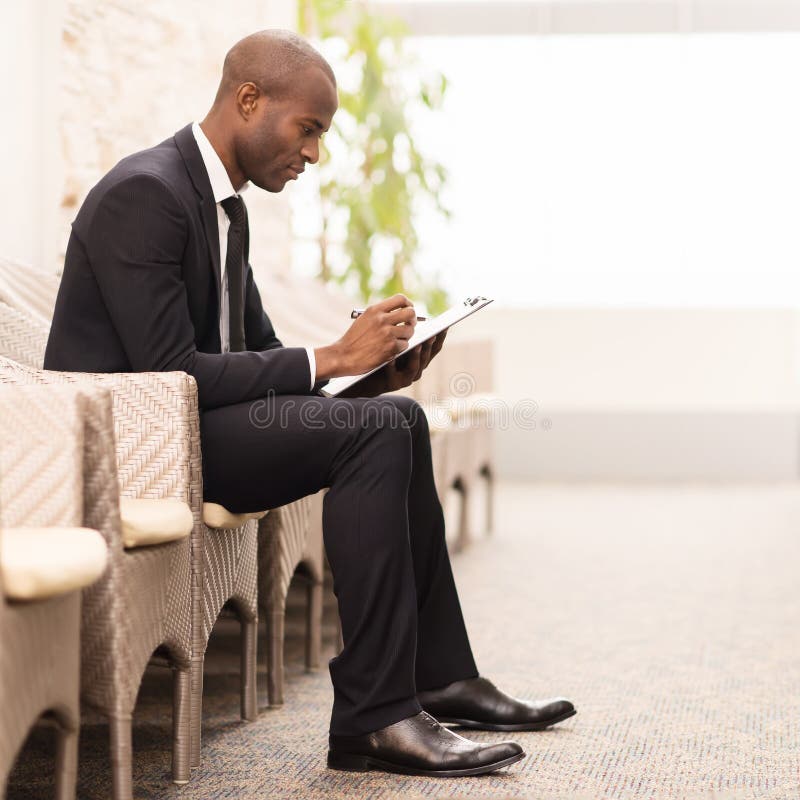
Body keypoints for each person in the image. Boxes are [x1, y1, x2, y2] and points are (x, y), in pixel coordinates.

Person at [44, 29, 576, 777]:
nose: (315, 153)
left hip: (196, 431)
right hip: (134, 450)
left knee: (395, 419)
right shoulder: (148, 193)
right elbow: (168, 372)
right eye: (310, 129)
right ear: (249, 100)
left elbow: (261, 360)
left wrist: (366, 380)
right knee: (379, 434)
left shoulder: (224, 207)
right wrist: (331, 356)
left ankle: (438, 677)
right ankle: (376, 719)